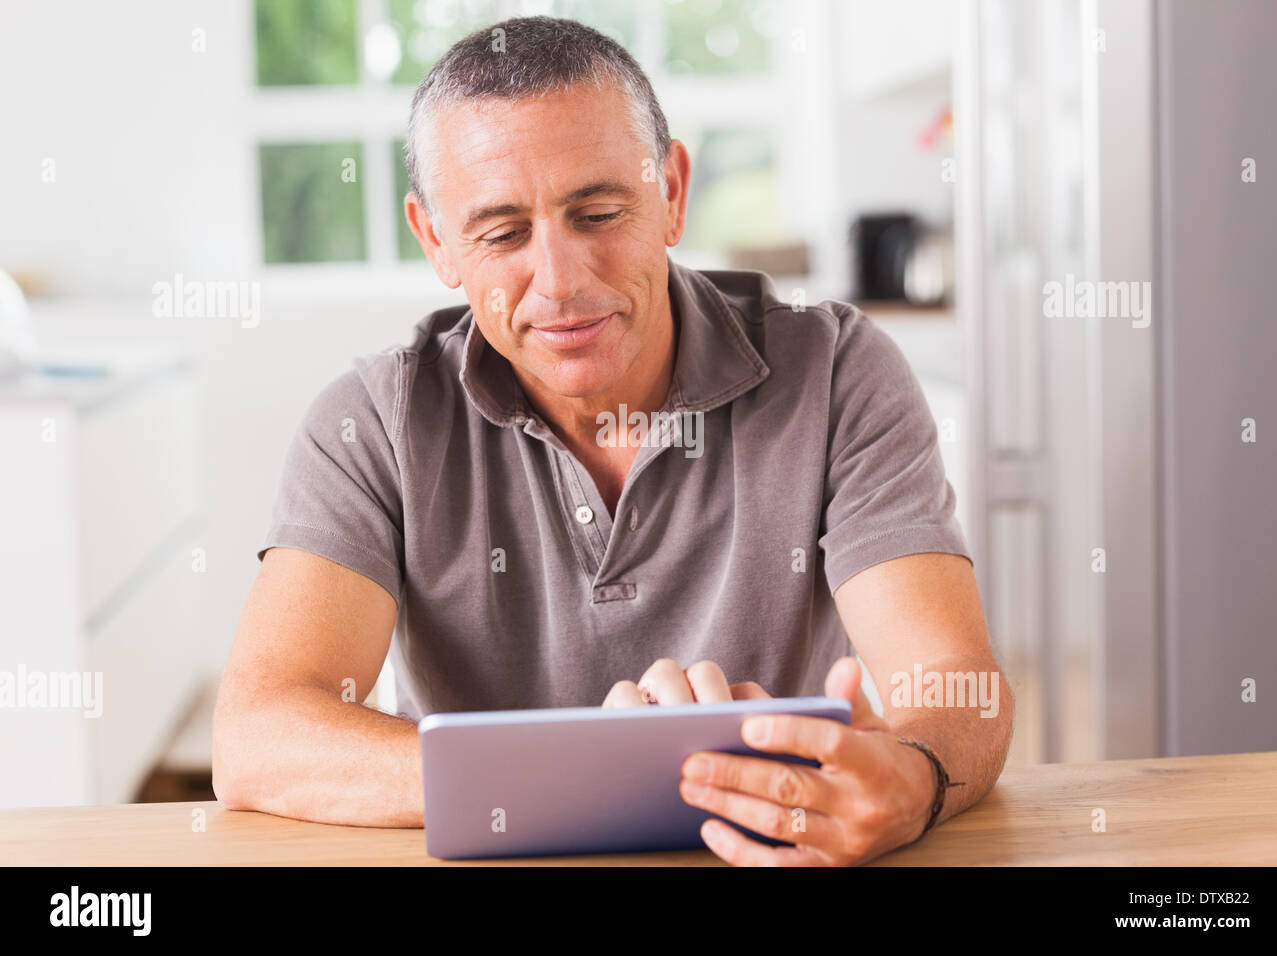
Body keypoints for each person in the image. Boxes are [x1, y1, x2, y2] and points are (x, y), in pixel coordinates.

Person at [213, 16, 1013, 866]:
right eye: (502, 234)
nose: (561, 283)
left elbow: (953, 687)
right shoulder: (371, 420)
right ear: (436, 240)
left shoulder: (837, 371)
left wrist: (913, 779)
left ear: (671, 191)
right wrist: (589, 774)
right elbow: (260, 735)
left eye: (597, 213)